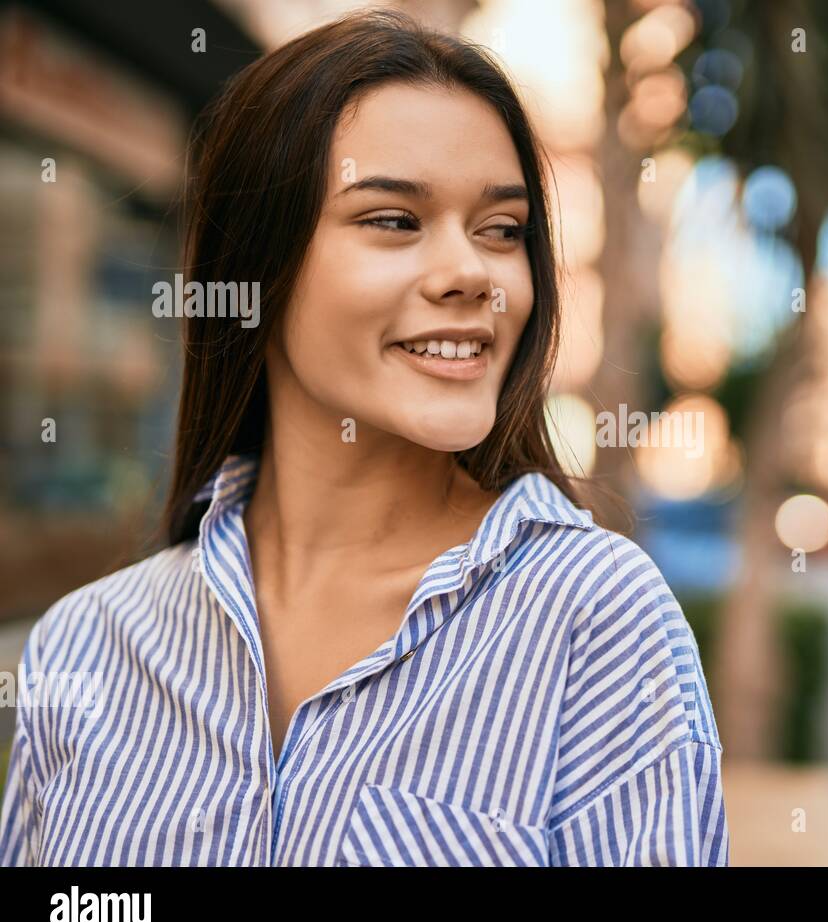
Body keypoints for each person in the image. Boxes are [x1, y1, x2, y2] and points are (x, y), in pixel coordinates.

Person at [0, 10, 728, 867]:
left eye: (501, 230)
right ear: (254, 268)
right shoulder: (86, 644)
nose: (473, 275)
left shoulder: (597, 622)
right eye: (393, 220)